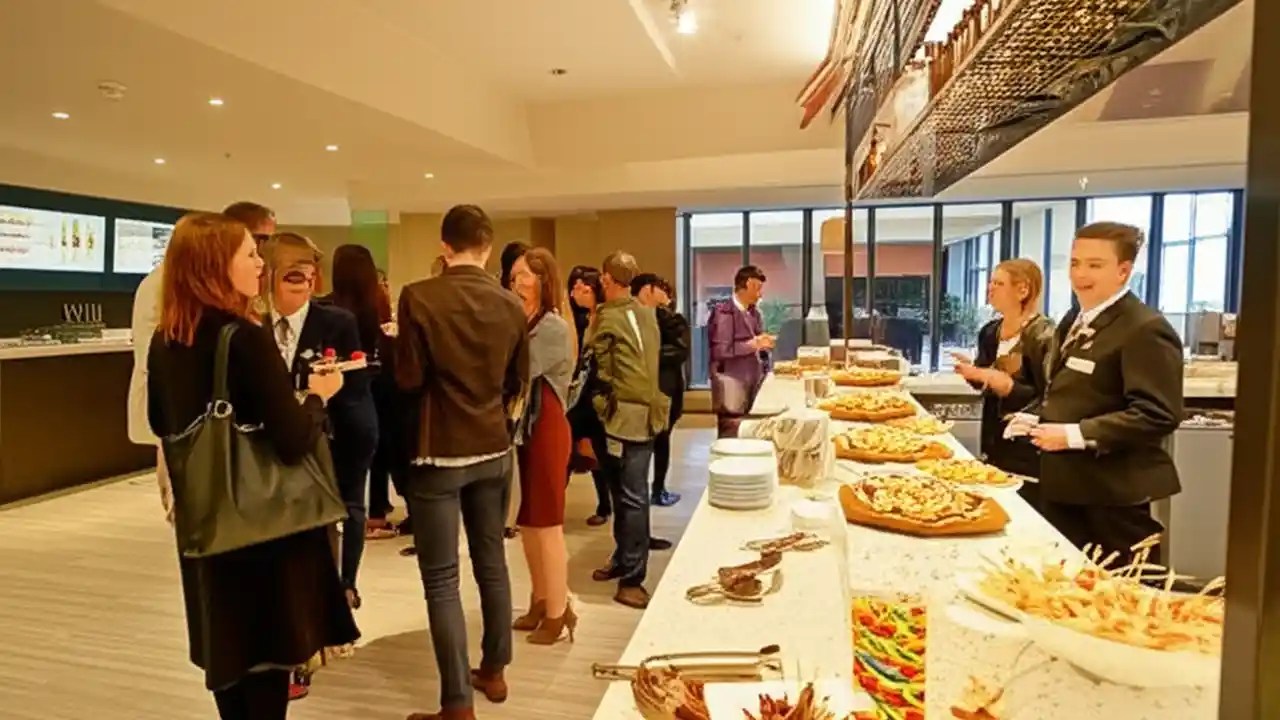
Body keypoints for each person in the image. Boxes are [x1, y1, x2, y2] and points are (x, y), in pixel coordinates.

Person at [146, 211, 358, 719]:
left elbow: (160, 419)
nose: (259, 264)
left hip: (207, 525)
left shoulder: (166, 338)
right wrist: (317, 397)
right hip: (265, 532)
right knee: (266, 672)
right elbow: (291, 439)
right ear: (216, 266)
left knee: (230, 665)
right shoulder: (243, 336)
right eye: (249, 254)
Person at [395, 205, 529, 720]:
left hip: (438, 449)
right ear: (488, 246)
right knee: (491, 562)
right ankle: (494, 669)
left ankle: (456, 703)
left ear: (444, 245)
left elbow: (408, 379)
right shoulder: (510, 304)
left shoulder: (419, 296)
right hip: (494, 448)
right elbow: (519, 379)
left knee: (442, 579)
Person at [1020, 221, 1184, 567]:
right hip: (1067, 486)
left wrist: (1075, 434)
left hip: (1112, 494)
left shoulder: (1144, 328)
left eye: (1095, 265)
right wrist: (1037, 414)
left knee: (1121, 604)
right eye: (1075, 263)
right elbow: (1072, 386)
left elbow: (1158, 413)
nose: (1080, 274)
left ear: (1124, 271)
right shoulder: (1075, 318)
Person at [128, 201, 276, 522]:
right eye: (255, 247)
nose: (261, 259)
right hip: (192, 432)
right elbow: (160, 366)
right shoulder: (168, 290)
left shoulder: (233, 316)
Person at [260, 233, 378, 611]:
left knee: (342, 511)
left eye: (309, 275)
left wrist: (323, 389)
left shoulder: (337, 321)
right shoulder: (252, 325)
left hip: (335, 435)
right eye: (293, 276)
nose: (303, 284)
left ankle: (344, 584)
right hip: (277, 443)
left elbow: (355, 384)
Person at [587, 251, 669, 610]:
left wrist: (602, 411)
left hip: (623, 420)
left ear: (606, 280)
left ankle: (633, 578)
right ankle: (623, 559)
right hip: (649, 415)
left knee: (631, 497)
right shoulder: (647, 314)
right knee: (626, 495)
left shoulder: (606, 320)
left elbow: (599, 373)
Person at [508, 248, 578, 645]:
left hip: (547, 427)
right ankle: (540, 600)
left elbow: (520, 371)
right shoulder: (527, 320)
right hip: (528, 426)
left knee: (547, 524)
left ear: (543, 281)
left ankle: (557, 611)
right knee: (529, 523)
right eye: (515, 275)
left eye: (526, 275)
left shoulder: (550, 325)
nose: (517, 281)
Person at [953, 259, 1055, 509]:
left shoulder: (1045, 335)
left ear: (1023, 290)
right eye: (990, 282)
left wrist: (1003, 384)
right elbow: (985, 380)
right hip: (992, 438)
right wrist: (974, 374)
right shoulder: (990, 331)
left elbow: (1049, 397)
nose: (990, 289)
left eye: (998, 283)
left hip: (1028, 447)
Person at [327, 245, 402, 543]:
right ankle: (375, 511)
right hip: (377, 382)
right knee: (377, 448)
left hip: (341, 386)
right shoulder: (377, 303)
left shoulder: (329, 309)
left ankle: (342, 510)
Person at [632, 273, 688, 508]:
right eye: (663, 289)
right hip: (657, 389)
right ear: (649, 290)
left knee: (660, 440)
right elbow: (680, 349)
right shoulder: (661, 318)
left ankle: (656, 489)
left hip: (662, 387)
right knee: (654, 442)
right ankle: (651, 491)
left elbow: (679, 351)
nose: (668, 295)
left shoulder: (660, 318)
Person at [566, 265, 612, 526]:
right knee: (569, 451)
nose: (576, 293)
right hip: (580, 397)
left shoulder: (604, 319)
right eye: (573, 288)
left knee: (599, 454)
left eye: (582, 288)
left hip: (595, 397)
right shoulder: (581, 320)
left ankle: (605, 505)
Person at [708, 265, 774, 438]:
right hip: (731, 385)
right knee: (730, 435)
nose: (760, 294)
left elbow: (757, 341)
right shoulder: (723, 313)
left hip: (752, 382)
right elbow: (721, 350)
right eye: (758, 288)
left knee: (747, 434)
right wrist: (753, 344)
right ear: (748, 284)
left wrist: (763, 345)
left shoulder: (754, 313)